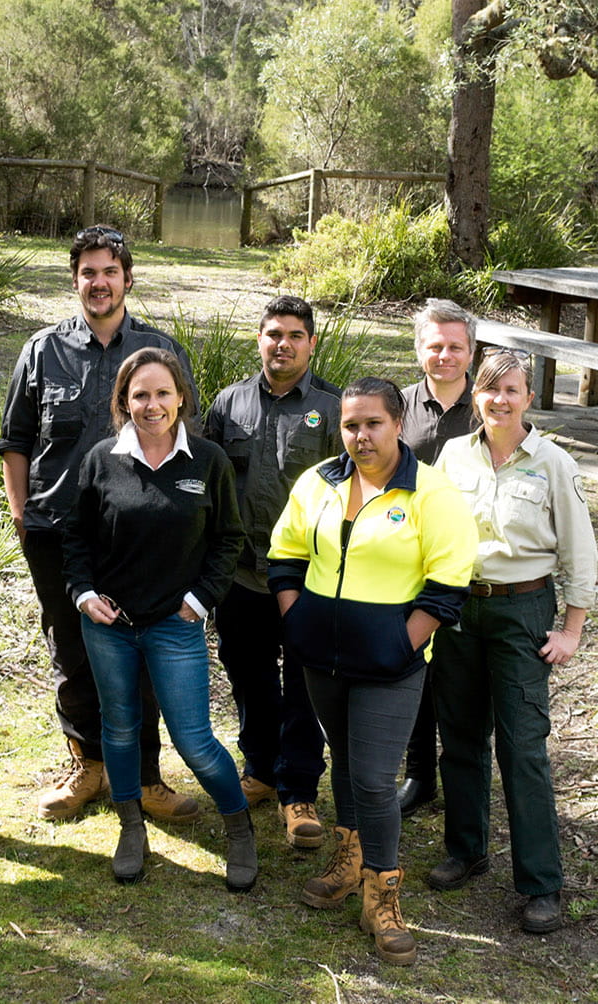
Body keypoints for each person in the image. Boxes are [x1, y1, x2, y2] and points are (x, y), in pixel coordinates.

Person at [267, 377, 477, 966]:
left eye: (373, 424)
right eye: (351, 425)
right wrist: (298, 621)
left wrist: (399, 646)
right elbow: (284, 555)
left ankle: (382, 895)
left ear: (398, 424)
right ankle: (350, 856)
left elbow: (448, 585)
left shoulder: (432, 494)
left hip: (392, 667)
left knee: (374, 778)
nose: (361, 436)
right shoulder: (318, 482)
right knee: (345, 759)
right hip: (323, 660)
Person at [0, 226, 200, 824]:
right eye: (88, 272)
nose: (99, 282)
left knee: (143, 653)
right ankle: (87, 766)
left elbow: (186, 439)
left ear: (128, 279)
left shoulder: (159, 351)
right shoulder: (42, 351)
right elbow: (15, 441)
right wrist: (21, 514)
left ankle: (145, 777)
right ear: (75, 281)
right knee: (72, 652)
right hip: (57, 531)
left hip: (138, 534)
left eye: (110, 271)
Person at [62, 348, 253, 888]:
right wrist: (83, 594)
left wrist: (201, 599)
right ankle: (131, 828)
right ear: (124, 401)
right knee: (120, 730)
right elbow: (75, 537)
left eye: (163, 393)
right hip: (109, 626)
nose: (152, 404)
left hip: (176, 624)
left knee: (194, 740)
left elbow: (229, 539)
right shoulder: (101, 459)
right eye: (140, 394)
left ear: (181, 398)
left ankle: (239, 829)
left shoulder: (207, 460)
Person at [430, 347, 597, 935]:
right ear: (475, 395)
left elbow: (580, 550)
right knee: (460, 738)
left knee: (522, 748)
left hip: (523, 610)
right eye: (489, 389)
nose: (499, 400)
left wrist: (571, 629)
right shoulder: (453, 455)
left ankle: (541, 883)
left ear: (528, 398)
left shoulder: (553, 463)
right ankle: (466, 850)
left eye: (511, 390)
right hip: (459, 609)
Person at [202, 296, 339, 852]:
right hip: (240, 575)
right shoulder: (228, 403)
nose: (283, 344)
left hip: (307, 578)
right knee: (248, 675)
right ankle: (259, 768)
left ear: (311, 344)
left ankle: (299, 791)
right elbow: (208, 484)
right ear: (259, 339)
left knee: (305, 684)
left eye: (295, 335)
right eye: (273, 334)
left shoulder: (332, 409)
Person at [395, 298, 479, 817]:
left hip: (473, 561)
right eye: (434, 346)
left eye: (455, 347)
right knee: (415, 670)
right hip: (408, 557)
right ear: (419, 349)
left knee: (463, 675)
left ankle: (466, 776)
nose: (444, 356)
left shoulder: (488, 405)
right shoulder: (399, 406)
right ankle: (419, 774)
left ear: (471, 352)